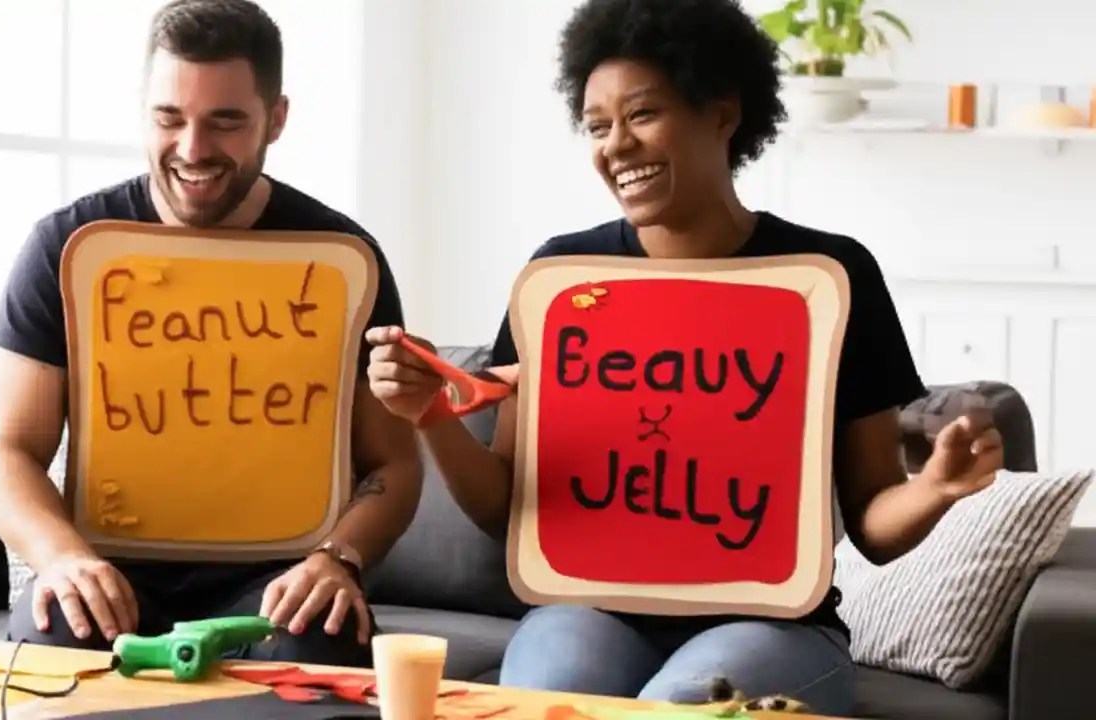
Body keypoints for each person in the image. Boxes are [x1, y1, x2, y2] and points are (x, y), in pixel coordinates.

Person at [363, 0, 1003, 713]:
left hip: (773, 624)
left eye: (642, 115)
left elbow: (874, 524)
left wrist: (937, 490)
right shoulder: (563, 278)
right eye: (598, 126)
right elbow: (506, 510)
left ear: (723, 113)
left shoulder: (826, 277)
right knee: (548, 699)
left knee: (683, 705)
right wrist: (430, 415)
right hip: (586, 610)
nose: (616, 146)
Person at [0, 0, 421, 669]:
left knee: (322, 650)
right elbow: (6, 449)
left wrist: (337, 558)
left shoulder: (343, 259)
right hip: (109, 569)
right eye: (168, 118)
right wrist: (61, 556)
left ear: (276, 119)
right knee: (54, 650)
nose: (191, 148)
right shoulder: (66, 250)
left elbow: (394, 463)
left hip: (279, 584)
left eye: (225, 121)